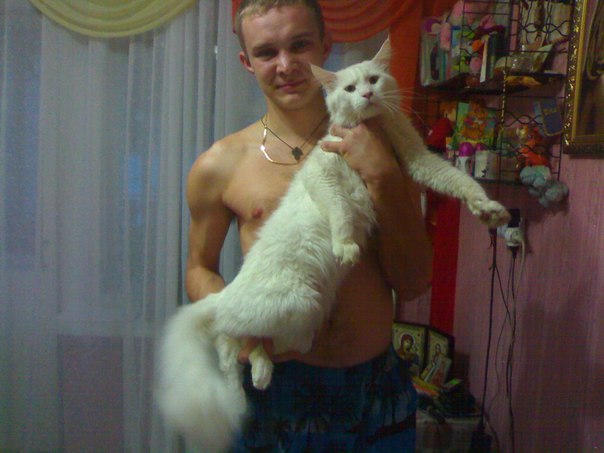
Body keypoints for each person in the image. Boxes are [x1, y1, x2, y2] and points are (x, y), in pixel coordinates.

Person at [185, 0, 433, 450]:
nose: (286, 65)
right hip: (273, 389)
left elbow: (414, 283)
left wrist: (384, 179)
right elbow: (199, 267)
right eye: (266, 52)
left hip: (373, 386)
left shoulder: (383, 142)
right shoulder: (221, 163)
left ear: (325, 45)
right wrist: (233, 322)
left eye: (299, 45)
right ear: (246, 61)